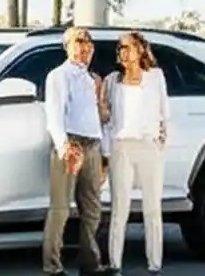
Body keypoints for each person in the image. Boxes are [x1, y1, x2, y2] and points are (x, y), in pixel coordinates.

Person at [100, 31, 170, 274]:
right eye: (120, 48)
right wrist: (106, 155)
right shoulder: (111, 81)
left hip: (148, 146)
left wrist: (160, 141)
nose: (123, 52)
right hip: (121, 148)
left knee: (152, 207)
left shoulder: (155, 77)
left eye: (128, 47)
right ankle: (115, 264)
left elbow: (164, 112)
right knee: (120, 208)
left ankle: (154, 263)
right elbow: (106, 121)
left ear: (140, 50)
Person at [42, 27, 105, 276]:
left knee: (92, 209)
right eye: (79, 42)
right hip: (72, 145)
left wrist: (103, 157)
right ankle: (52, 267)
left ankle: (91, 265)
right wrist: (63, 146)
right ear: (67, 46)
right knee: (60, 208)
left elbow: (97, 118)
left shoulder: (91, 80)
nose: (85, 47)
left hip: (93, 146)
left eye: (89, 43)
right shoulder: (58, 76)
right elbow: (54, 114)